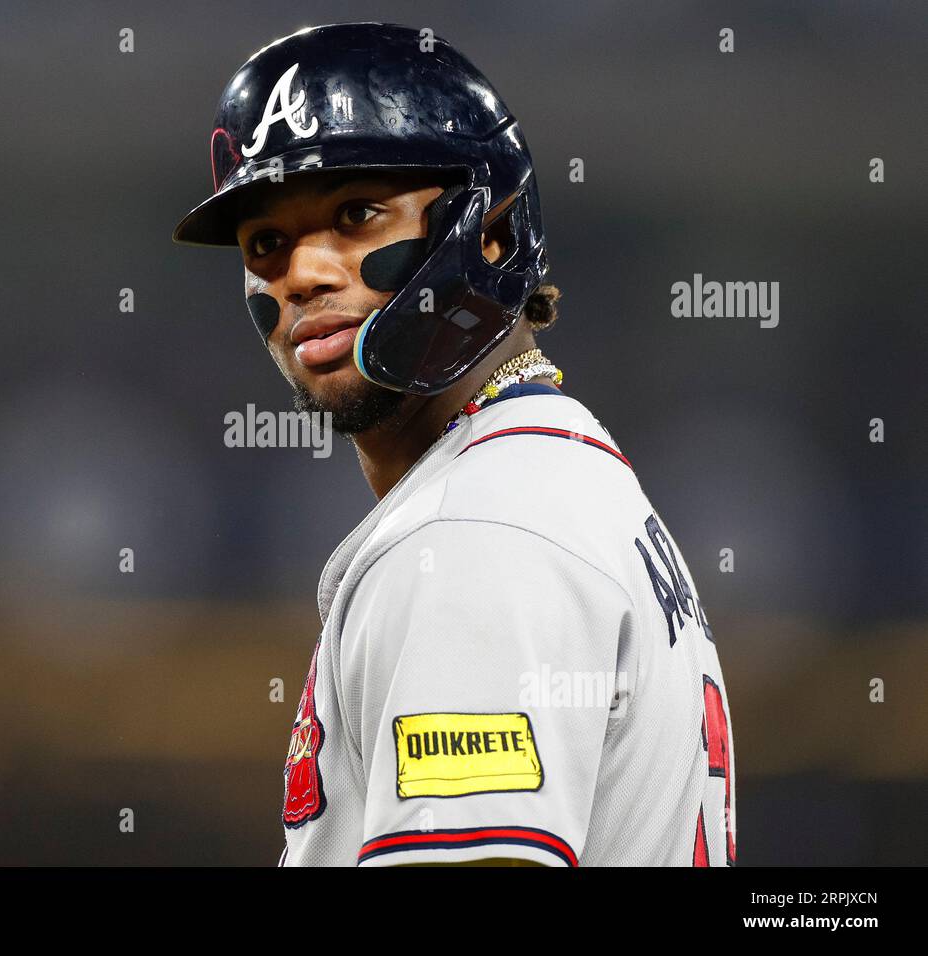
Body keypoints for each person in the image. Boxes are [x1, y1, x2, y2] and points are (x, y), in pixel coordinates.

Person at [172, 21, 736, 867]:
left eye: (356, 215)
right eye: (268, 244)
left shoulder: (473, 537)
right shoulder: (557, 475)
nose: (303, 274)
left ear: (493, 230)